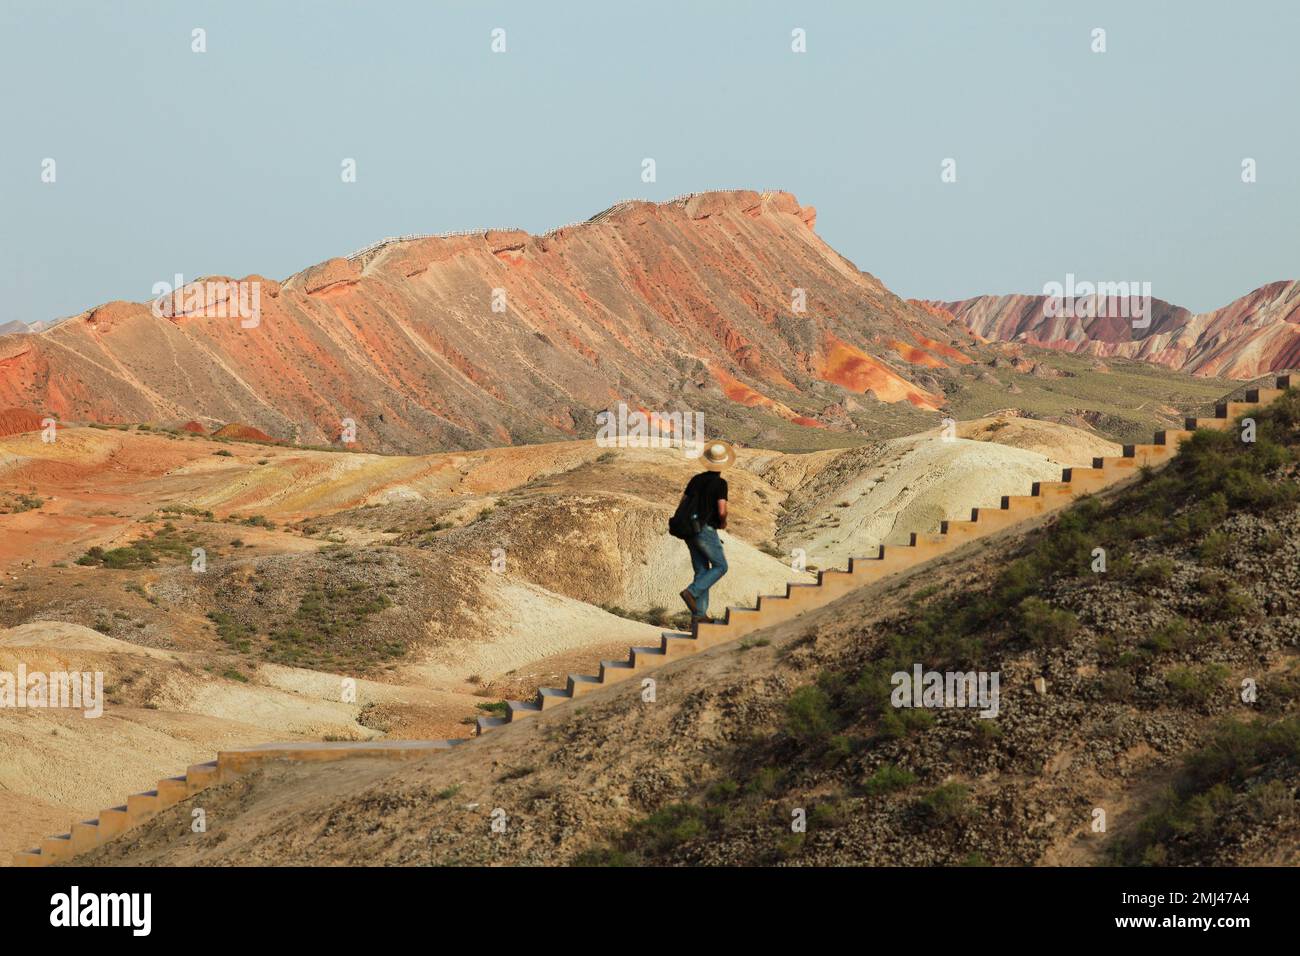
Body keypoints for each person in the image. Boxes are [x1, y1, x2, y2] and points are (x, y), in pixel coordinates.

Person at [678, 440, 736, 623]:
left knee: (702, 570)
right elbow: (722, 510)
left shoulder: (695, 480)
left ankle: (699, 615)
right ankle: (691, 592)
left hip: (689, 530)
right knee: (721, 566)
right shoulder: (720, 484)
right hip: (705, 530)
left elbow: (682, 504)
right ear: (723, 463)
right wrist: (723, 522)